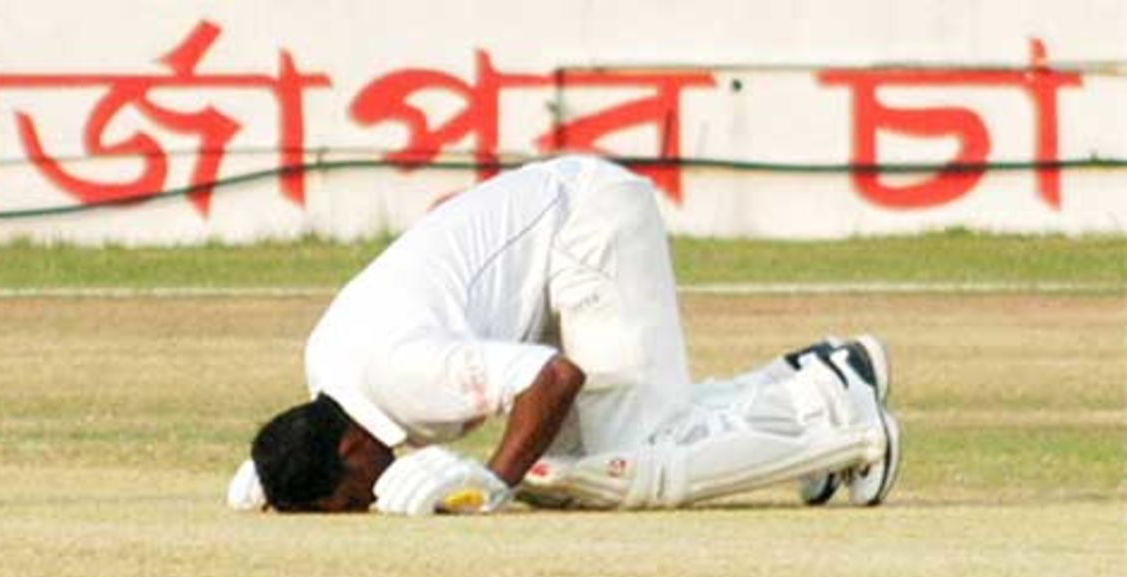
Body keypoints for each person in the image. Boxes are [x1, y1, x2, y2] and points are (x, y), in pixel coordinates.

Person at [227, 155, 900, 515]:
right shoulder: (329, 379)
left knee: (624, 459)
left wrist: (495, 481)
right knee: (574, 471)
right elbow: (302, 449)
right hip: (551, 245)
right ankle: (818, 377)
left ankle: (844, 426)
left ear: (349, 445)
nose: (371, 501)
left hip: (586, 222)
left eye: (355, 497)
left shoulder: (404, 376)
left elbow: (553, 377)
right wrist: (273, 475)